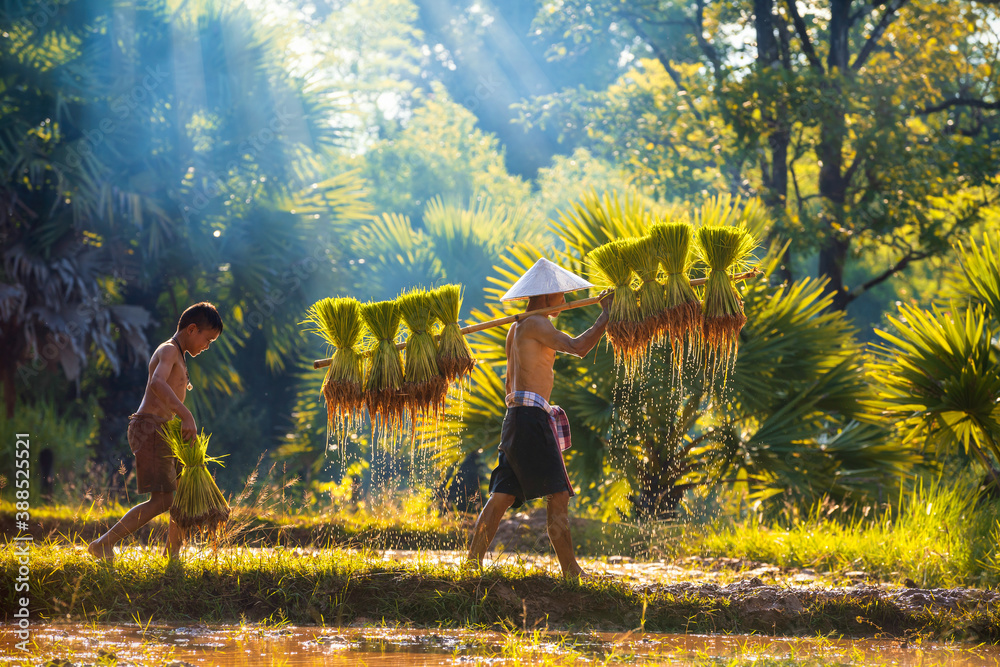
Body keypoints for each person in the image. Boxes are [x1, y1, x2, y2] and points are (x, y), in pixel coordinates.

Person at [466, 258, 610, 579]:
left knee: (502, 495)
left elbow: (511, 382)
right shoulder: (538, 324)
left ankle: (471, 564)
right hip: (530, 420)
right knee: (558, 494)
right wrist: (605, 317)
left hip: (516, 418)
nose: (563, 301)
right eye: (560, 295)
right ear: (545, 295)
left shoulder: (517, 327)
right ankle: (572, 572)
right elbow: (579, 347)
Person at [88, 302, 223, 564]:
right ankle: (103, 544)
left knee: (184, 495)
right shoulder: (169, 349)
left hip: (165, 431)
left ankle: (172, 557)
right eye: (208, 339)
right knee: (162, 500)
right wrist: (186, 415)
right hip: (150, 428)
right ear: (192, 329)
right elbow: (157, 383)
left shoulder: (180, 356)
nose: (208, 346)